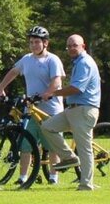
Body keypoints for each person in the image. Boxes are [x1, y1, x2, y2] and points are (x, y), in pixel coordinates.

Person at [0, 25, 65, 185]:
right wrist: (0, 87)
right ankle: (23, 177)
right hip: (31, 109)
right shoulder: (27, 59)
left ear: (45, 43)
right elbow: (13, 72)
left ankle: (54, 177)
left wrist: (47, 93)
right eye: (31, 42)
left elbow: (57, 81)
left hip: (50, 109)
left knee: (53, 145)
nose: (33, 45)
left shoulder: (52, 60)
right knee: (26, 143)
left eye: (37, 42)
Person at [35, 34, 102, 191]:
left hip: (84, 109)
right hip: (73, 110)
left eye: (75, 45)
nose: (71, 48)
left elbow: (76, 88)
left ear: (83, 46)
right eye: (69, 46)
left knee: (84, 147)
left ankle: (86, 185)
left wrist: (53, 93)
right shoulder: (77, 63)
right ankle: (69, 157)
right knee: (47, 127)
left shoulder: (85, 63)